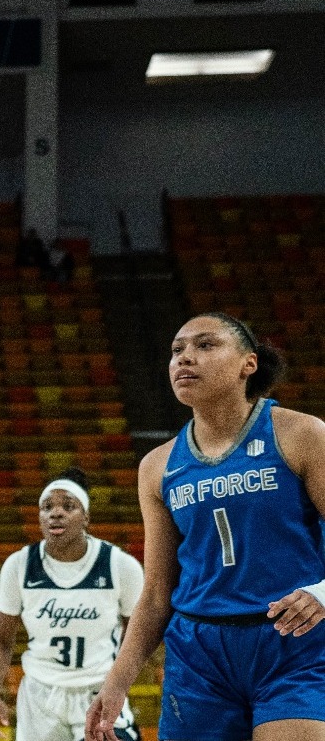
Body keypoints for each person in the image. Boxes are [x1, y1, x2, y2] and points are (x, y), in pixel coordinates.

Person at [86, 313, 325, 741]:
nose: (185, 358)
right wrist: (117, 680)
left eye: (205, 345)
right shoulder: (157, 466)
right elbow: (158, 592)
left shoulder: (301, 434)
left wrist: (322, 593)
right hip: (199, 655)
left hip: (292, 642)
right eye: (177, 350)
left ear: (247, 364)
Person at [0, 470, 144, 741]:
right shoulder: (19, 565)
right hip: (40, 695)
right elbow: (1, 640)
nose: (55, 513)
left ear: (86, 517)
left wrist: (119, 680)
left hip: (99, 688)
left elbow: (139, 633)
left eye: (68, 506)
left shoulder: (119, 565)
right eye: (47, 507)